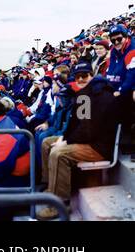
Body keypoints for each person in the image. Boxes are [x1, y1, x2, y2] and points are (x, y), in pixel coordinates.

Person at [39, 61, 122, 220]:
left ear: (92, 75)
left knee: (58, 153)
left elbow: (88, 131)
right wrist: (65, 137)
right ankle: (51, 188)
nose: (81, 79)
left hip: (98, 147)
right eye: (77, 77)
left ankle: (60, 203)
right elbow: (79, 125)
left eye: (85, 75)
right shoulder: (87, 93)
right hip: (89, 140)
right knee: (47, 143)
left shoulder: (97, 95)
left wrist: (66, 141)